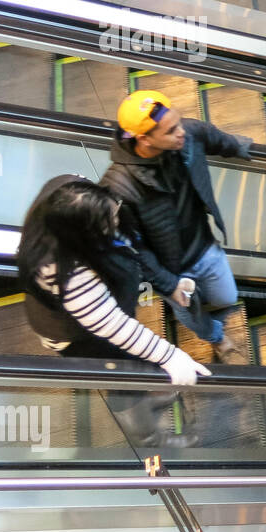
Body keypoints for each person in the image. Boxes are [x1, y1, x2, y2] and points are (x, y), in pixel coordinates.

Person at [18, 175, 207, 448]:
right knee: (121, 376)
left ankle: (146, 395)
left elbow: (127, 245)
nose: (116, 221)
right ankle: (149, 438)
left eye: (113, 210)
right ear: (82, 238)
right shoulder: (65, 274)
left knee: (133, 365)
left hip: (101, 313)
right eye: (108, 223)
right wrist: (171, 357)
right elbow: (115, 327)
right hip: (81, 339)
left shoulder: (68, 192)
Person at [100, 90, 250, 365]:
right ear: (144, 139)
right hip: (172, 271)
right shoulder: (118, 187)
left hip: (205, 247)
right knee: (192, 315)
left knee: (227, 297)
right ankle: (218, 339)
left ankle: (210, 319)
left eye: (179, 123)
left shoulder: (187, 136)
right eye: (171, 131)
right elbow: (132, 249)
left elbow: (212, 136)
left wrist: (240, 147)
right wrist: (169, 286)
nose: (182, 132)